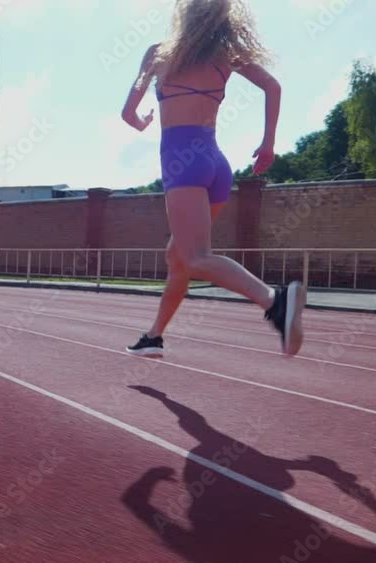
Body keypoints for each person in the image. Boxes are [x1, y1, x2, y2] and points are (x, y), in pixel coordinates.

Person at [120, 0, 304, 358]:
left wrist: (142, 122)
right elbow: (273, 87)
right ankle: (154, 336)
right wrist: (268, 145)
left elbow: (127, 111)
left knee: (197, 257)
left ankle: (275, 300)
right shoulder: (227, 53)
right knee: (178, 257)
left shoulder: (157, 53)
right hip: (216, 164)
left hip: (181, 161)